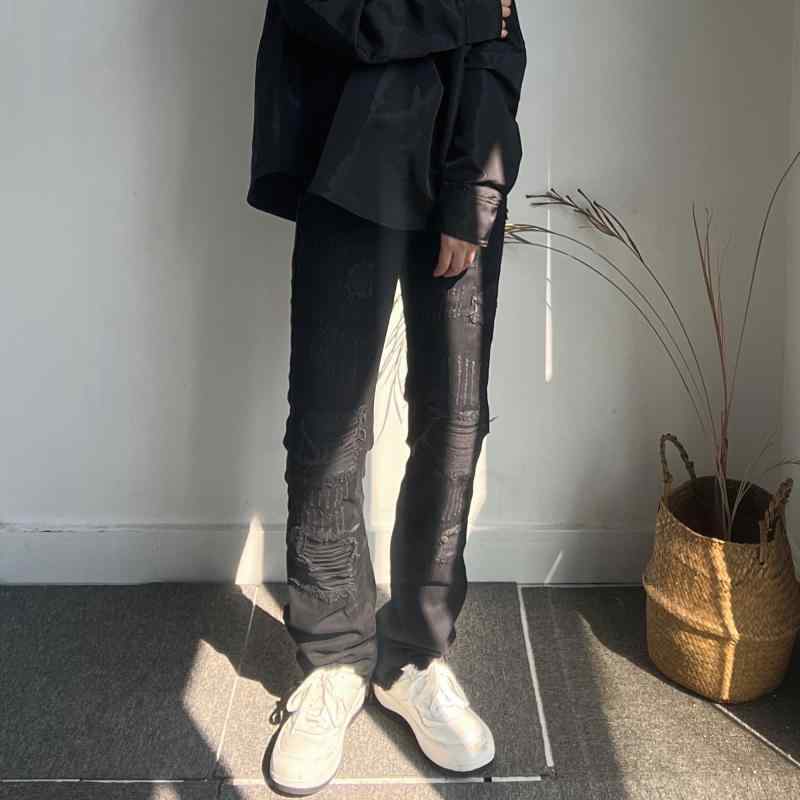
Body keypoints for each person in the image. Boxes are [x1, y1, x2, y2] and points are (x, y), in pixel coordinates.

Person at [246, 0, 527, 794]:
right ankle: (335, 660)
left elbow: (502, 49)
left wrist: (473, 190)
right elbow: (326, 14)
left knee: (455, 420)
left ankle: (415, 658)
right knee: (328, 423)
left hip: (458, 164)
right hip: (345, 161)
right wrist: (468, 12)